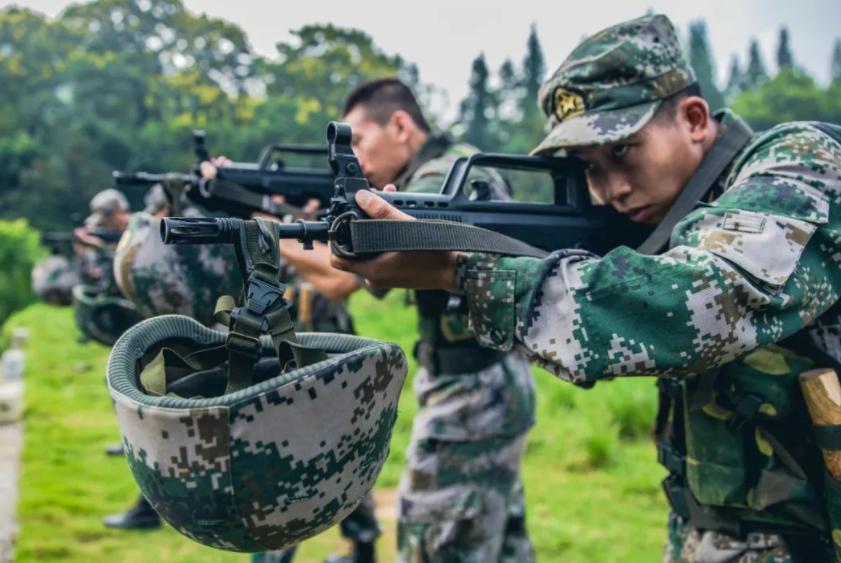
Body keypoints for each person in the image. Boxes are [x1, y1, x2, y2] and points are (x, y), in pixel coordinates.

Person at [329, 14, 841, 563]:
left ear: (693, 119)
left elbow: (693, 308)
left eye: (622, 151)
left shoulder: (801, 165)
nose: (611, 189)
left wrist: (462, 268)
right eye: (587, 168)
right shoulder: (667, 213)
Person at [277, 78, 536, 563]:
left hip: (472, 392)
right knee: (497, 541)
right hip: (490, 381)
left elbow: (352, 280)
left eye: (359, 142)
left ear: (399, 125)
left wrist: (269, 233)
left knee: (434, 539)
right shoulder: (455, 163)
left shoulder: (437, 178)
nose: (356, 161)